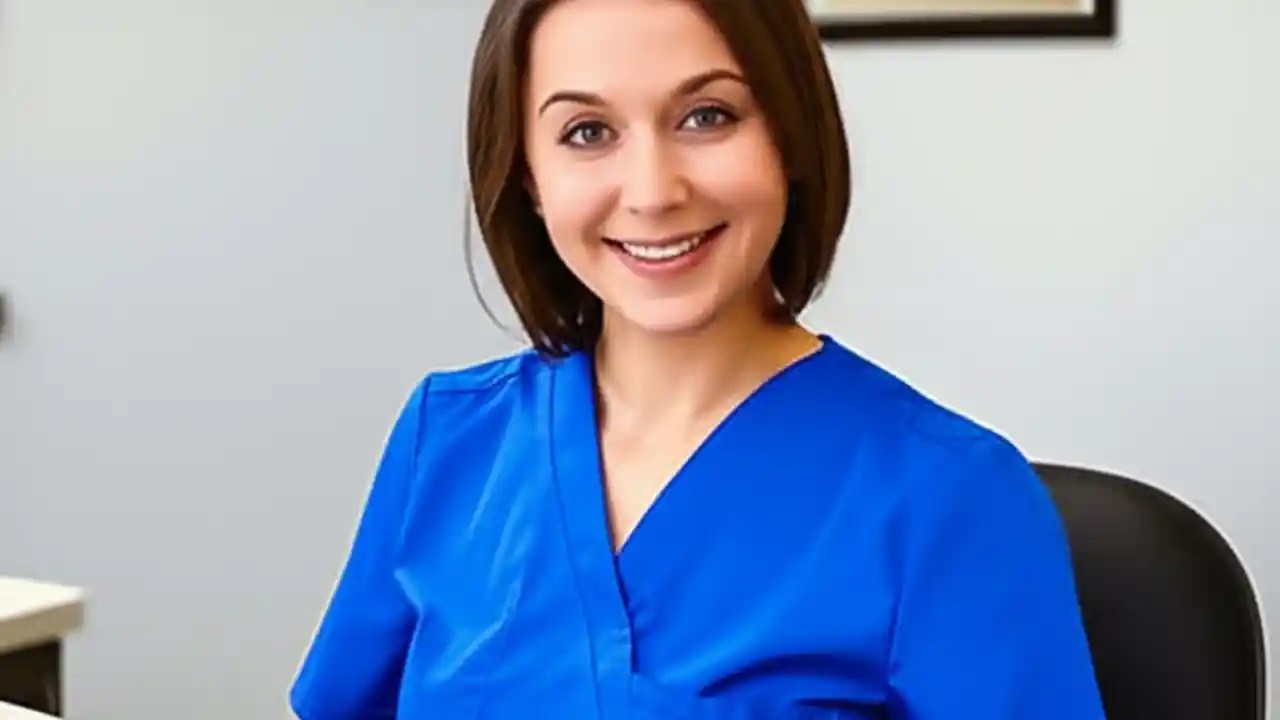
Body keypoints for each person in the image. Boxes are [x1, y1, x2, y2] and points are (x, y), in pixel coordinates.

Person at [289, 0, 1108, 717]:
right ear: (529, 177)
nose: (651, 191)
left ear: (789, 133)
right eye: (587, 132)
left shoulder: (950, 499)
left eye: (707, 116)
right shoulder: (449, 440)